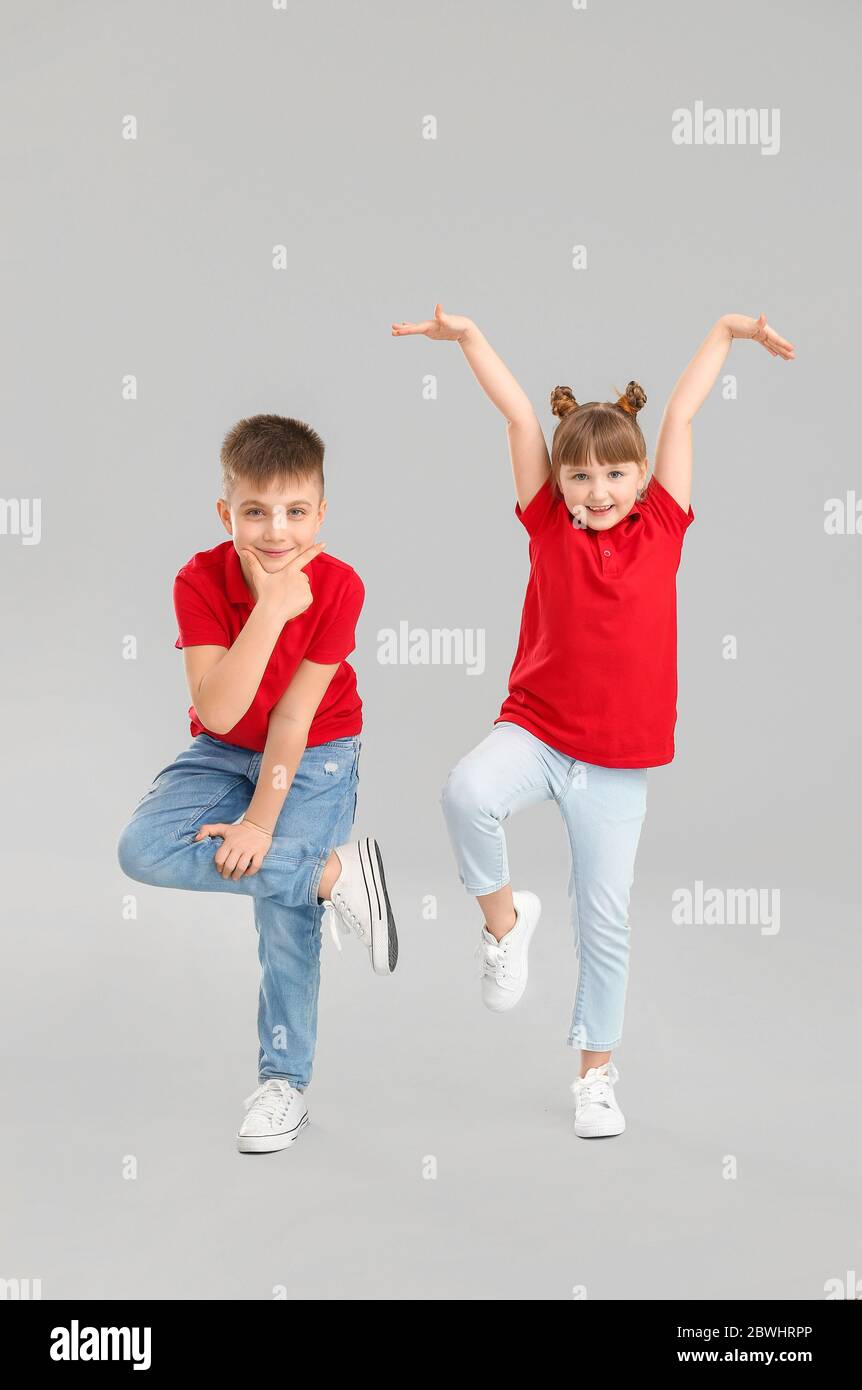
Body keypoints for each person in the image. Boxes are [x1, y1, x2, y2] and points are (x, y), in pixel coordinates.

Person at [392, 305, 794, 1138]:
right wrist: (469, 340)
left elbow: (681, 412)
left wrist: (725, 333)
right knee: (467, 792)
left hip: (615, 763)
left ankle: (596, 1074)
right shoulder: (547, 525)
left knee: (604, 920)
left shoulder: (665, 529)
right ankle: (505, 926)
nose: (597, 492)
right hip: (536, 732)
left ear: (643, 478)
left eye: (615, 476)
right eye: (580, 477)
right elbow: (514, 414)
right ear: (560, 484)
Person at [117, 413, 397, 1154]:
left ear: (321, 514)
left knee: (280, 903)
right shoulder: (199, 579)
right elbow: (217, 708)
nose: (278, 532)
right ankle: (335, 874)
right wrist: (271, 609)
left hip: (316, 750)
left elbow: (294, 718)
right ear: (226, 513)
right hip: (222, 746)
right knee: (141, 848)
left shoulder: (340, 587)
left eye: (296, 512)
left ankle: (283, 1085)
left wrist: (261, 828)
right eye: (255, 512)